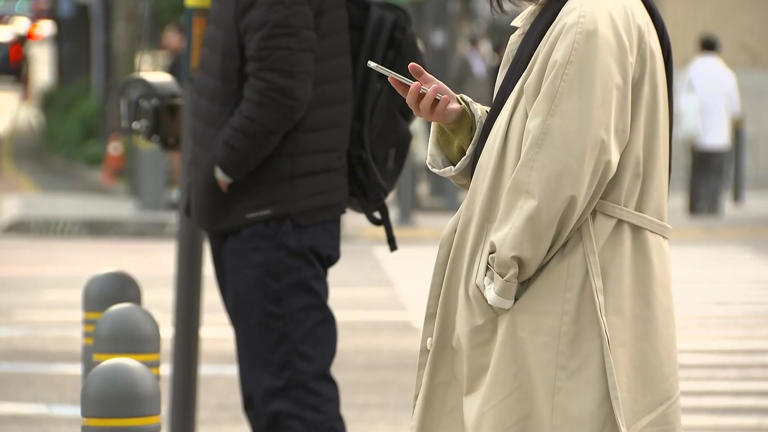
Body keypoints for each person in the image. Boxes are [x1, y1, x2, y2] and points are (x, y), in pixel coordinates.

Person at [388, 0, 680, 430]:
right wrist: (461, 121)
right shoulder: (580, 15)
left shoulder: (589, 18)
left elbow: (560, 169)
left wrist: (500, 272)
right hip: (564, 289)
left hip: (563, 297)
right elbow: (543, 141)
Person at [186, 0, 353, 431]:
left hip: (271, 216)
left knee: (289, 404)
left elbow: (279, 88)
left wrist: (222, 168)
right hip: (268, 213)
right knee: (280, 397)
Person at [681, 33, 742, 215]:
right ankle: (713, 208)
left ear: (700, 47)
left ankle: (696, 208)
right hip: (719, 133)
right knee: (716, 172)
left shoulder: (691, 70)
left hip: (695, 131)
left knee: (697, 172)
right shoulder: (726, 73)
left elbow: (680, 97)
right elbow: (735, 107)